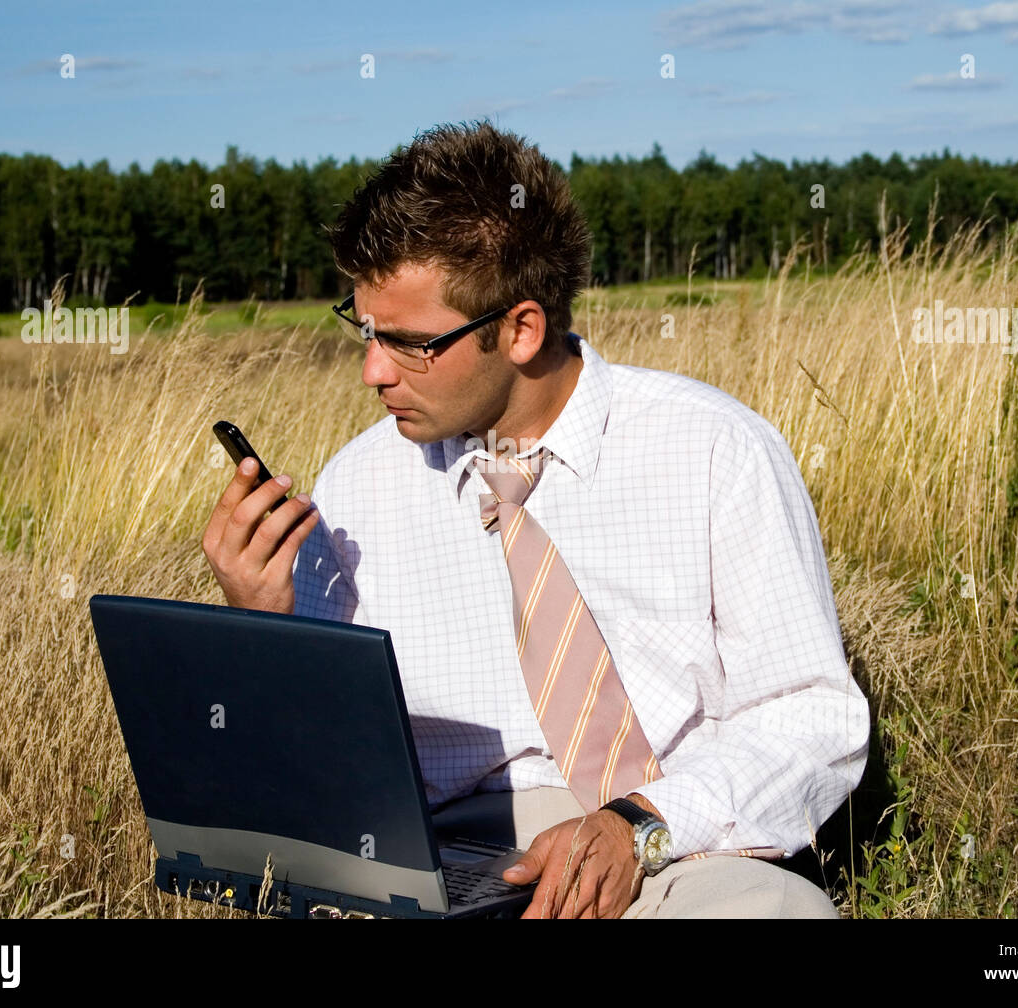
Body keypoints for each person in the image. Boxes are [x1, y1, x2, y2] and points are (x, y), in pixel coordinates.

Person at [201, 121, 869, 918]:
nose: (373, 371)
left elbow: (810, 717)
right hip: (434, 858)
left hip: (668, 846)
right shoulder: (357, 484)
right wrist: (265, 630)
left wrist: (640, 828)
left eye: (411, 344)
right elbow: (326, 765)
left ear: (520, 329)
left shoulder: (716, 450)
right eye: (365, 328)